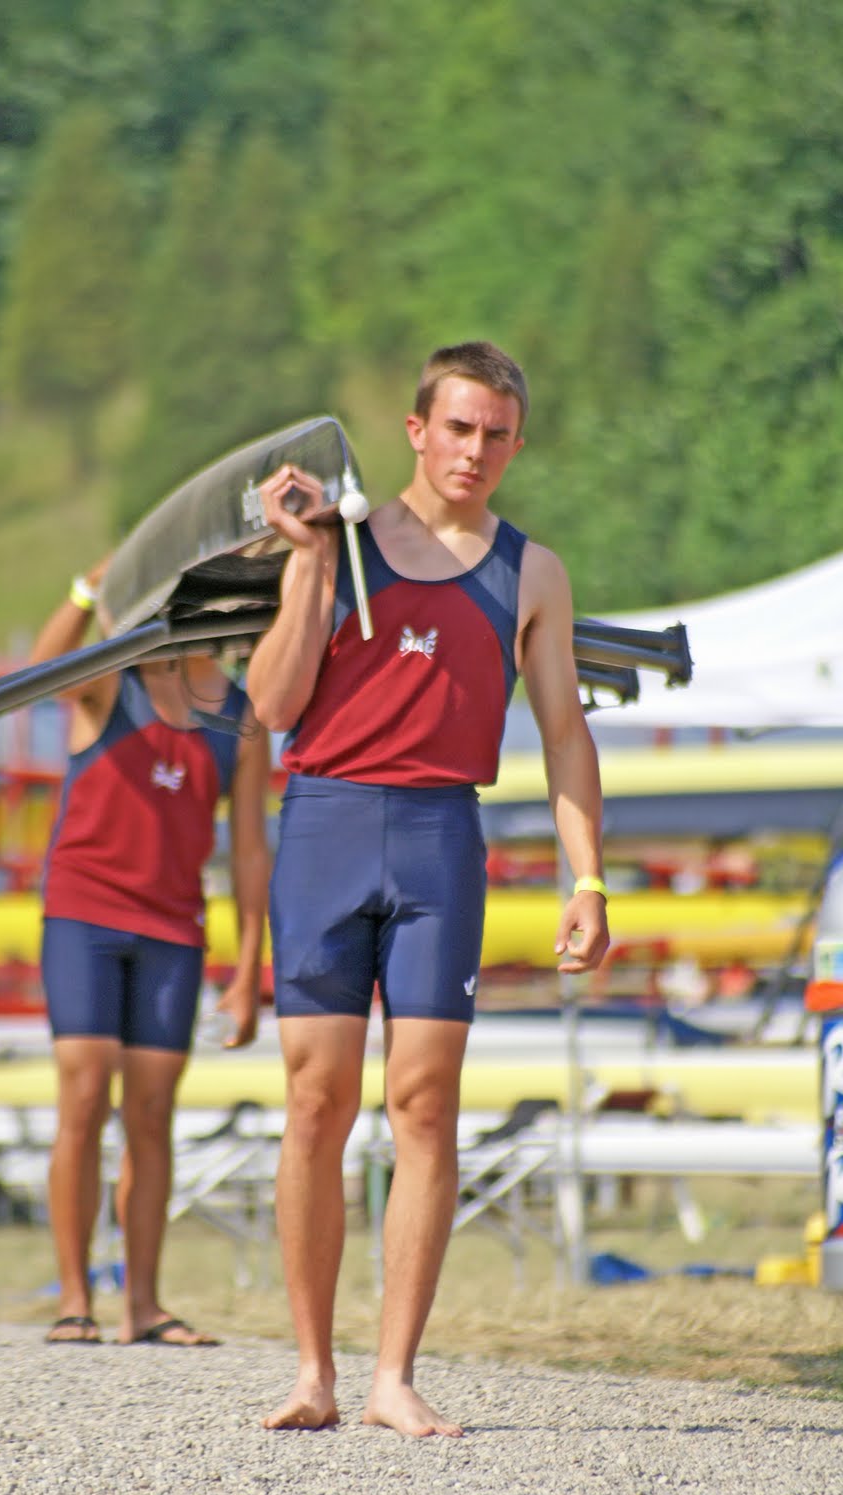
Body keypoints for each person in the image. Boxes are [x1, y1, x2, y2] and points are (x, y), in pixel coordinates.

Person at [246, 340, 609, 1435]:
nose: (476, 451)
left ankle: (393, 1374)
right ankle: (313, 1370)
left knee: (425, 1106)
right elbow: (272, 704)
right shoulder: (341, 539)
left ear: (516, 443)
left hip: (441, 839)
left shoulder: (530, 571)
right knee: (316, 1102)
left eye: (497, 434)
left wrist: (588, 877)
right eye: (458, 428)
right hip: (326, 824)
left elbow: (562, 729)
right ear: (417, 430)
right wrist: (306, 563)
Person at [32, 557, 271, 1346]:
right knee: (83, 1093)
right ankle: (75, 1298)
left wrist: (244, 975)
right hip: (85, 913)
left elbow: (248, 854)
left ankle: (143, 1304)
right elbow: (38, 674)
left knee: (152, 1113)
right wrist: (82, 592)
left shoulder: (238, 715)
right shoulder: (107, 679)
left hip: (173, 929)